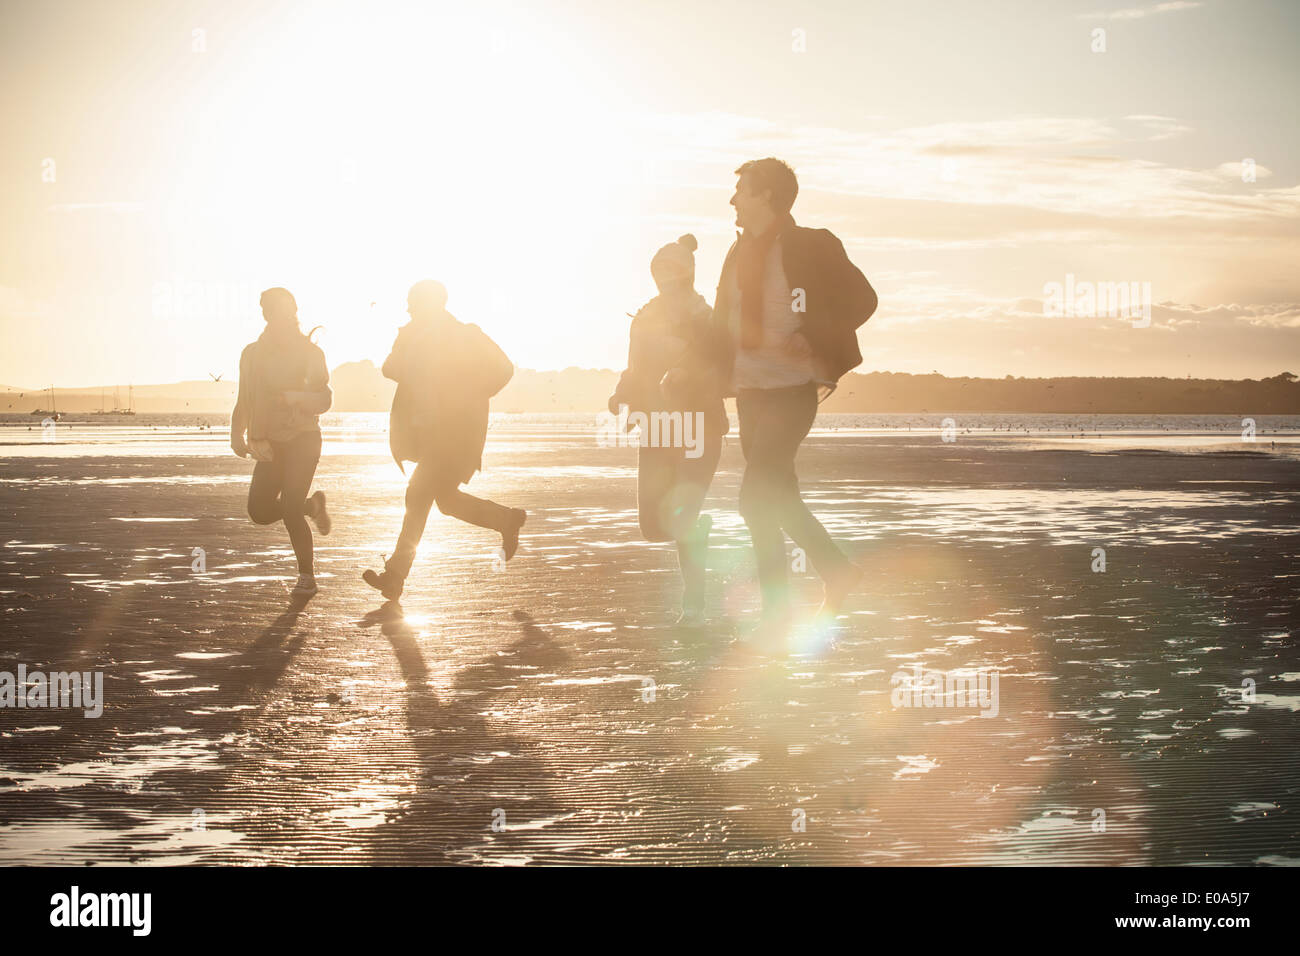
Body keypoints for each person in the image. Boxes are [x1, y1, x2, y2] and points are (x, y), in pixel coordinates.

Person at [709, 158, 878, 640]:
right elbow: (722, 321)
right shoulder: (736, 252)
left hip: (793, 390)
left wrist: (816, 336)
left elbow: (863, 299)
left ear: (766, 195)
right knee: (777, 496)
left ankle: (783, 606)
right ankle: (829, 578)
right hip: (749, 391)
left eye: (741, 190)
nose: (732, 200)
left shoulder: (812, 246)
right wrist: (690, 368)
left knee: (754, 498)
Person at [363, 280, 526, 602]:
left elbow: (504, 369)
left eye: (413, 302)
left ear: (432, 304)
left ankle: (395, 575)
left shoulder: (467, 334)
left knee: (418, 493)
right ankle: (507, 519)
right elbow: (389, 368)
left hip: (457, 432)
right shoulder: (410, 335)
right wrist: (410, 349)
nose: (408, 308)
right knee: (446, 501)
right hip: (425, 432)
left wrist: (472, 392)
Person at [608, 234, 726, 627]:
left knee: (681, 518)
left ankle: (694, 606)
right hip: (656, 427)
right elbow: (635, 366)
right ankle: (697, 527)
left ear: (687, 273)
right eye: (658, 271)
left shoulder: (707, 316)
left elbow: (724, 362)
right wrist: (621, 393)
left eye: (672, 271)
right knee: (652, 527)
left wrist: (688, 373)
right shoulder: (645, 316)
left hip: (700, 425)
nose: (664, 278)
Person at [230, 287, 333, 597]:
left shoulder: (310, 352)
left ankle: (306, 577)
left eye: (289, 311)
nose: (283, 317)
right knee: (259, 511)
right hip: (268, 442)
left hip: (303, 439)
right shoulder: (251, 353)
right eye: (275, 311)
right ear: (266, 315)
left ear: (294, 313)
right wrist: (237, 433)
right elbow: (243, 399)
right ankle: (312, 506)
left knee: (288, 507)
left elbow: (325, 399)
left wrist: (295, 398)